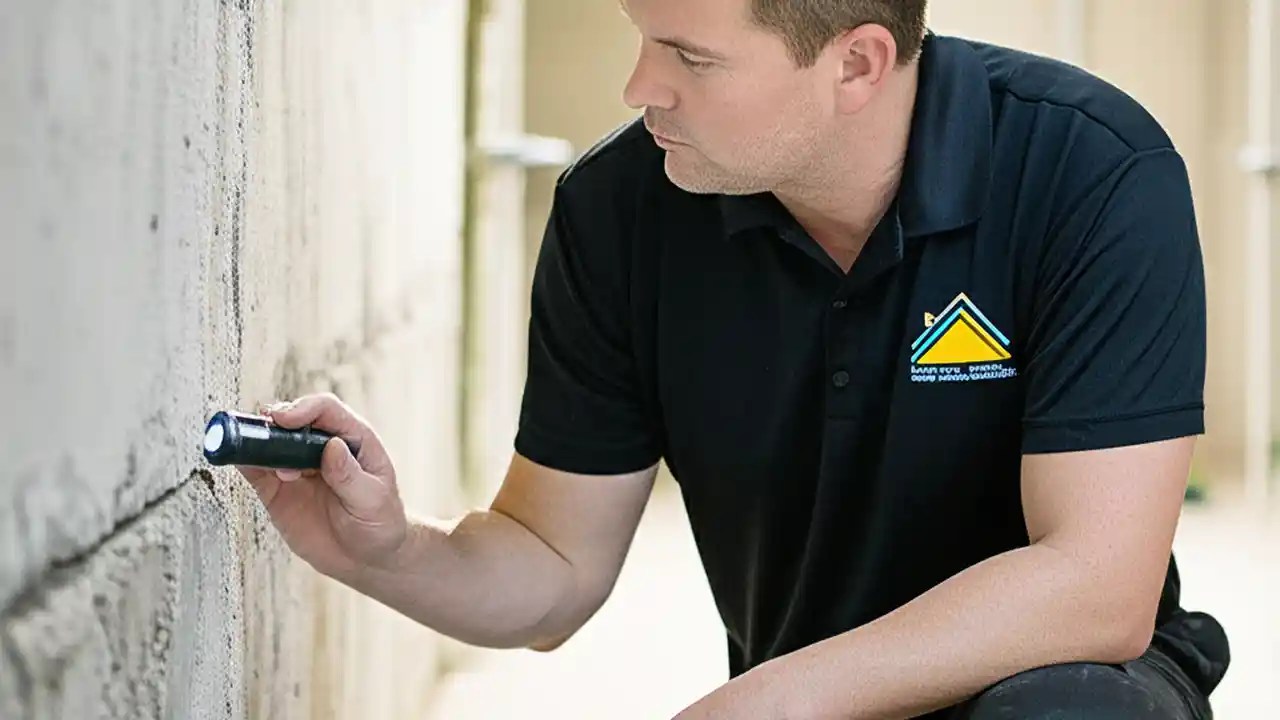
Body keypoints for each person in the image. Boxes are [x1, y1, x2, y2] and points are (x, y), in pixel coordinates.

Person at [238, 0, 1232, 717]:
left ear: (856, 64)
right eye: (639, 37)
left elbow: (1096, 590)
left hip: (1066, 686)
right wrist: (389, 550)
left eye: (688, 56)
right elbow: (550, 570)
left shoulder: (1087, 169)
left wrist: (772, 700)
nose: (638, 88)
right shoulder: (621, 210)